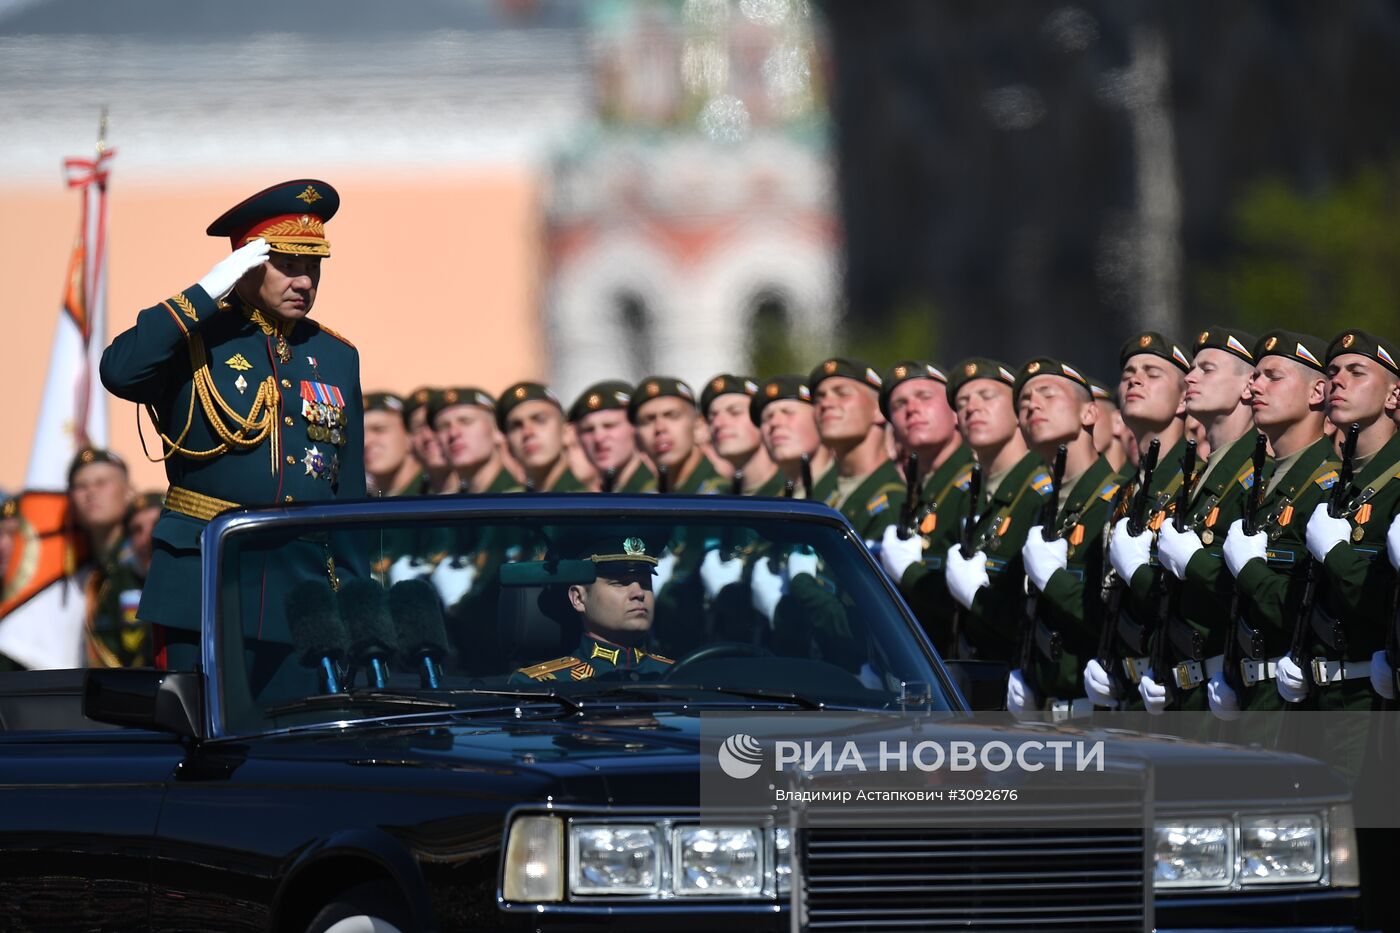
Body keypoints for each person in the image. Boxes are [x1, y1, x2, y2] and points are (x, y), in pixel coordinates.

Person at [99, 179, 365, 671]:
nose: (304, 282)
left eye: (313, 267)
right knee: (199, 736)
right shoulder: (195, 337)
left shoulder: (335, 356)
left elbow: (348, 494)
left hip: (303, 593)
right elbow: (120, 370)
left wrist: (357, 602)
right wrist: (204, 293)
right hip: (205, 580)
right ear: (244, 264)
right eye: (287, 266)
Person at [1132, 327, 1261, 715]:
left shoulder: (1257, 476)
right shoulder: (1199, 477)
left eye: (1207, 369)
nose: (1190, 377)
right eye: (1191, 369)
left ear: (1247, 387)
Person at [1213, 331, 1337, 714]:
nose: (1254, 386)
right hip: (1249, 694)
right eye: (1255, 376)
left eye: (1273, 376)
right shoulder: (1258, 484)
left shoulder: (1329, 484)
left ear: (1317, 393)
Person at [1009, 357, 1118, 719]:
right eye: (1023, 402)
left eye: (1047, 394)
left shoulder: (1116, 499)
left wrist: (1054, 581)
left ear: (1089, 414)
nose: (1032, 405)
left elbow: (1112, 614)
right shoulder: (1043, 513)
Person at [940, 358, 1053, 704]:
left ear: (1019, 411)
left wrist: (976, 594)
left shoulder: (1041, 491)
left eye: (987, 396)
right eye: (962, 404)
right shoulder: (968, 500)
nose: (972, 407)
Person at [1092, 332, 1193, 711]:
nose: (1134, 379)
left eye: (1152, 373)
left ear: (1185, 398)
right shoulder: (1126, 493)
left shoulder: (1194, 481)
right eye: (1129, 373)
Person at [1301, 330, 1400, 710]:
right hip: (1321, 699)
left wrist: (1337, 554)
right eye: (1333, 371)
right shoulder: (1334, 486)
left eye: (1357, 372)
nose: (1337, 380)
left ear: (1394, 395)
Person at [875, 361, 974, 647]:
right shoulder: (919, 493)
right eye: (899, 404)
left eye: (925, 397)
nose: (911, 409)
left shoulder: (972, 486)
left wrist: (910, 573)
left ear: (955, 412)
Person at [510, 536, 674, 683]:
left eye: (645, 584)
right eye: (621, 583)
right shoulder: (542, 686)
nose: (639, 593)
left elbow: (702, 718)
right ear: (579, 598)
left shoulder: (678, 676)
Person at [807, 357, 906, 540]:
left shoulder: (892, 501)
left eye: (842, 393)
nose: (826, 404)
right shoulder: (827, 493)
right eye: (819, 398)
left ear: (878, 410)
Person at [630, 377, 725, 494]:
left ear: (699, 426)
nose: (659, 428)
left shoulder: (723, 495)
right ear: (637, 438)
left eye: (672, 416)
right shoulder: (644, 495)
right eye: (648, 420)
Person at [497, 381, 588, 492]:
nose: (527, 433)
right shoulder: (509, 502)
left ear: (567, 432)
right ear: (508, 445)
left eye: (540, 420)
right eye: (516, 426)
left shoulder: (585, 501)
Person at [749, 374, 831, 497]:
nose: (774, 423)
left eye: (788, 412)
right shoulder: (770, 498)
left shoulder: (841, 489)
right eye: (767, 417)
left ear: (819, 418)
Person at [569, 380, 655, 493]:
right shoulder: (583, 495)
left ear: (636, 427)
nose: (598, 438)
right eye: (588, 430)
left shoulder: (657, 491)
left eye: (609, 426)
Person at [430, 387, 522, 494]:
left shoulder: (518, 499)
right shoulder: (449, 502)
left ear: (497, 430)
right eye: (444, 426)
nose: (453, 434)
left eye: (465, 421)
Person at [701, 375, 779, 495]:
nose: (718, 423)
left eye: (734, 412)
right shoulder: (717, 497)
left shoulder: (794, 491)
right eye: (712, 417)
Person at [363, 392, 421, 496]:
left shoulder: (436, 492)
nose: (366, 442)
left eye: (379, 429)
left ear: (409, 435)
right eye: (360, 434)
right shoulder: (365, 499)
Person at [405, 387, 458, 494]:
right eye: (418, 427)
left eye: (434, 425)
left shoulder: (484, 494)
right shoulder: (408, 499)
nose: (428, 436)